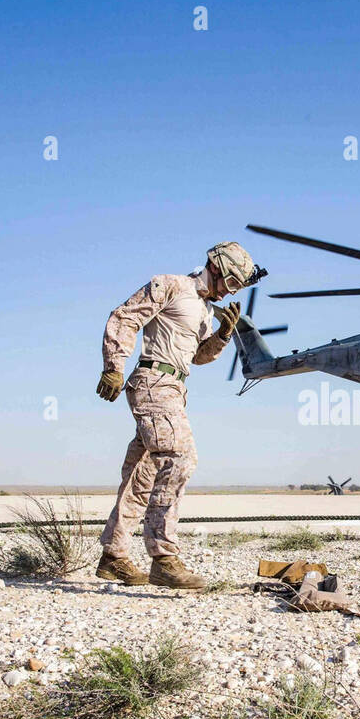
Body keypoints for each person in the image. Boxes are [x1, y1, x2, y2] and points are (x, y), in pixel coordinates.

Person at [94, 242, 260, 588]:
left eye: (237, 289)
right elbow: (126, 317)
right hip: (154, 382)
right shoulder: (170, 285)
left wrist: (222, 336)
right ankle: (163, 557)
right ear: (215, 268)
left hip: (175, 388)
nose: (229, 293)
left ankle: (114, 556)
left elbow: (197, 356)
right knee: (181, 458)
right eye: (230, 284)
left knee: (142, 475)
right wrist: (114, 366)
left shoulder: (202, 310)